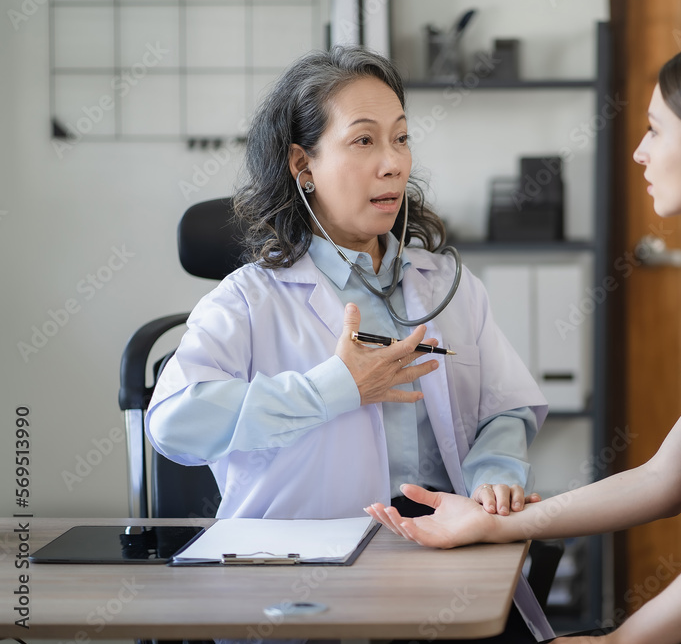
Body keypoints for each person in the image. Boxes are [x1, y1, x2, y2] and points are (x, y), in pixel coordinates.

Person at [366, 37, 681, 644]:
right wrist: (497, 524)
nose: (638, 152)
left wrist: (620, 643)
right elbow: (662, 482)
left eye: (656, 130)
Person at [145, 46, 553, 641]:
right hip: (299, 580)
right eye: (363, 141)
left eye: (402, 138)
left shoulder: (445, 285)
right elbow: (174, 424)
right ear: (302, 164)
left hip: (443, 559)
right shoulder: (249, 300)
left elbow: (506, 404)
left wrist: (495, 469)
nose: (393, 164)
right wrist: (335, 388)